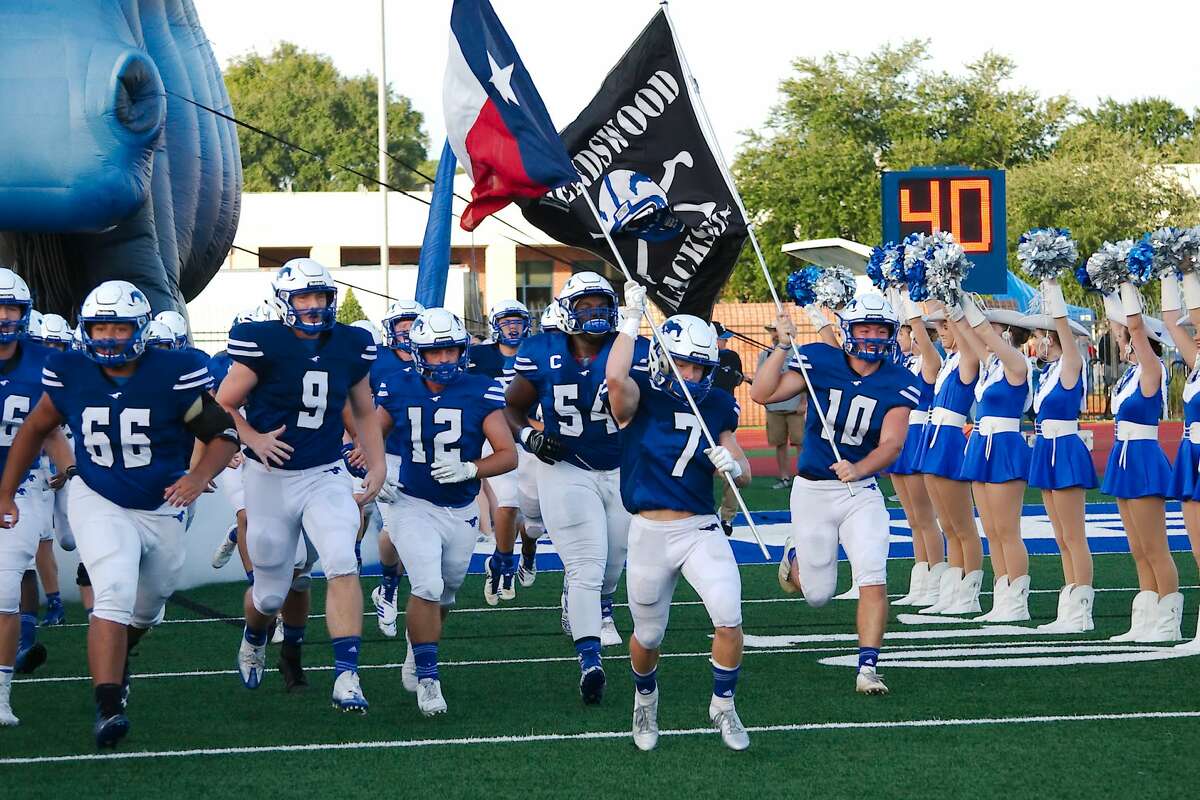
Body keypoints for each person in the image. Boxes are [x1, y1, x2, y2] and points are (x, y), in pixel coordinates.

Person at [0, 279, 238, 747]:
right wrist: (6, 492)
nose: (108, 336)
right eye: (100, 326)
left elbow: (223, 433)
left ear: (142, 328)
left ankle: (119, 654)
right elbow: (35, 428)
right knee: (112, 591)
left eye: (119, 326)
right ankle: (108, 706)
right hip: (99, 495)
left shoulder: (173, 372)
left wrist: (197, 477)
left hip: (159, 503)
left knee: (150, 605)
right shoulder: (69, 370)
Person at [216, 258, 385, 712]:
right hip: (268, 477)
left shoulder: (351, 344)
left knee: (341, 560)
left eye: (322, 297)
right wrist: (250, 437)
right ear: (284, 302)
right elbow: (222, 405)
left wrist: (379, 463)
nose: (314, 306)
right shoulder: (264, 342)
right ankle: (255, 635)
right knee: (270, 592)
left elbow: (364, 410)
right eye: (304, 297)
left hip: (324, 472)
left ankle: (347, 675)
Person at [752, 295, 920, 695]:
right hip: (812, 490)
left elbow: (893, 443)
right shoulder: (820, 361)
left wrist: (859, 468)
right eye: (865, 328)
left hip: (861, 490)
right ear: (849, 330)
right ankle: (794, 556)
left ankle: (868, 668)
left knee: (873, 577)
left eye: (881, 330)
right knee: (817, 596)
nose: (874, 337)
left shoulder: (899, 381)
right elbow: (762, 393)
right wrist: (781, 346)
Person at [608, 295, 752, 751]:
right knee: (648, 635)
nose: (691, 375)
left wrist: (731, 462)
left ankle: (724, 706)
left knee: (729, 616)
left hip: (699, 528)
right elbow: (614, 377)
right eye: (684, 364)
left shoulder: (716, 404)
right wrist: (630, 322)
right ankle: (645, 698)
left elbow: (744, 472)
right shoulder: (640, 394)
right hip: (649, 531)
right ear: (663, 361)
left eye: (698, 367)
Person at [375, 308, 517, 716]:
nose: (444, 360)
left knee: (447, 593)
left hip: (461, 508)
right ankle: (429, 678)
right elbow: (369, 439)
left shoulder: (481, 389)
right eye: (435, 353)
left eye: (451, 351)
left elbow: (507, 455)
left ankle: (416, 651)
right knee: (427, 585)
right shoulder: (397, 386)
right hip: (412, 502)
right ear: (418, 353)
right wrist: (370, 470)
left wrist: (472, 468)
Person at [505, 271, 632, 704]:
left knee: (613, 565)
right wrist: (528, 437)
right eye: (585, 305)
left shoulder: (629, 348)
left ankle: (592, 607)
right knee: (585, 566)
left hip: (620, 467)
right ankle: (590, 659)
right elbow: (513, 408)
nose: (595, 312)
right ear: (566, 310)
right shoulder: (541, 350)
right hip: (565, 467)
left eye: (602, 303)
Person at [0, 273, 73, 727]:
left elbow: (51, 432)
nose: (3, 317)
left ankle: (1, 695)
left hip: (20, 489)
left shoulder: (45, 364)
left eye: (10, 308)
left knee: (5, 593)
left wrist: (72, 475)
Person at [1100, 283, 1181, 642]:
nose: (1119, 340)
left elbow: (1134, 326)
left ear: (1141, 341)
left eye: (1123, 336)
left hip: (1145, 458)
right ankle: (1146, 617)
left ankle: (1168, 619)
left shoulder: (1153, 369)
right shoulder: (1131, 375)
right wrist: (1105, 288)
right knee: (1137, 547)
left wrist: (1126, 283)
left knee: (1154, 546)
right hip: (1123, 457)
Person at [1021, 281, 1098, 632]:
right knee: (1060, 536)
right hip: (1047, 450)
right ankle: (1069, 605)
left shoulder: (1071, 363)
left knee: (1073, 534)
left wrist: (1054, 297)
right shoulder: (1048, 372)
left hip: (1066, 449)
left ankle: (1081, 610)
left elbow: (1067, 336)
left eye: (1038, 335)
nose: (1033, 342)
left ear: (1050, 337)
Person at [956, 306, 1035, 622]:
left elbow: (982, 333)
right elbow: (968, 331)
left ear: (1006, 332)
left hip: (1004, 447)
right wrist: (951, 303)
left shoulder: (1016, 363)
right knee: (991, 529)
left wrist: (964, 301)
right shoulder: (991, 366)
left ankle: (1017, 601)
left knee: (1007, 529)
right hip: (982, 445)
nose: (983, 329)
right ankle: (1002, 598)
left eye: (991, 326)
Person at [470, 300, 539, 605]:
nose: (513, 327)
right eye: (507, 321)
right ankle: (503, 561)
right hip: (496, 441)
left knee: (534, 522)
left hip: (531, 439)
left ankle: (527, 552)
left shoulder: (537, 354)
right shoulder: (479, 356)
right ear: (494, 326)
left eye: (518, 320)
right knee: (508, 503)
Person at [917, 302, 983, 615]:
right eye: (940, 328)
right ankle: (952, 590)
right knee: (948, 525)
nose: (941, 333)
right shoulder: (949, 361)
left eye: (945, 327)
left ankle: (969, 594)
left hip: (951, 441)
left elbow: (966, 340)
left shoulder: (968, 359)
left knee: (962, 525)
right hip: (934, 438)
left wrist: (954, 306)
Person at [367, 299, 424, 638]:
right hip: (388, 455)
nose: (405, 331)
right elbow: (355, 408)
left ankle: (398, 586)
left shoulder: (436, 355)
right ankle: (388, 587)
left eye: (411, 324)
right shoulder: (377, 362)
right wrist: (356, 447)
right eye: (400, 325)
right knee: (394, 528)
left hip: (427, 455)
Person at [886, 292, 946, 608]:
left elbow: (928, 351)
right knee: (911, 518)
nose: (898, 337)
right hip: (901, 434)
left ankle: (935, 581)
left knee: (925, 517)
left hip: (919, 433)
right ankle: (920, 580)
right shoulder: (904, 360)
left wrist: (913, 315)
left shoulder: (930, 360)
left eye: (902, 331)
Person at [1164, 270, 1200, 651]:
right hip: (1191, 455)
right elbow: (1173, 324)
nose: (1196, 333)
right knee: (1196, 547)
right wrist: (1168, 271)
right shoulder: (1196, 365)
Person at [757, 322, 805, 489]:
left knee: (800, 443)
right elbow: (760, 380)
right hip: (774, 408)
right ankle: (784, 477)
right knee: (779, 444)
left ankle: (803, 477)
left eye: (776, 331)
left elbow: (806, 379)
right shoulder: (765, 354)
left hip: (795, 407)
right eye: (772, 332)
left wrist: (804, 402)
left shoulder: (799, 352)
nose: (774, 335)